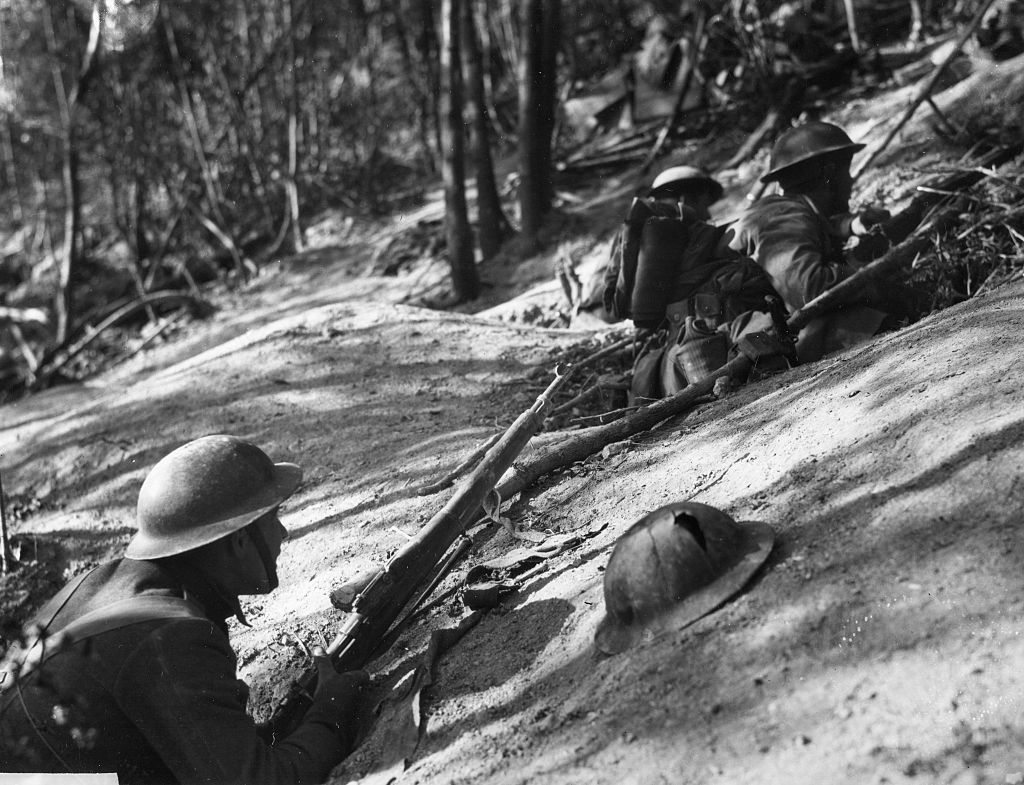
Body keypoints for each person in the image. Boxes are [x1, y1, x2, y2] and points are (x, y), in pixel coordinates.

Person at [0, 435, 368, 784]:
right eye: (273, 519)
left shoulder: (103, 585)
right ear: (239, 538)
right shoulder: (171, 636)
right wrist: (331, 712)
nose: (284, 533)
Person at [726, 120, 896, 361]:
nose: (850, 183)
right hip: (737, 340)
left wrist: (852, 224)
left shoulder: (789, 212)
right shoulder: (783, 217)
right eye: (845, 172)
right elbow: (810, 290)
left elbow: (818, 225)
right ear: (828, 173)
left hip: (754, 327)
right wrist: (865, 267)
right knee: (864, 321)